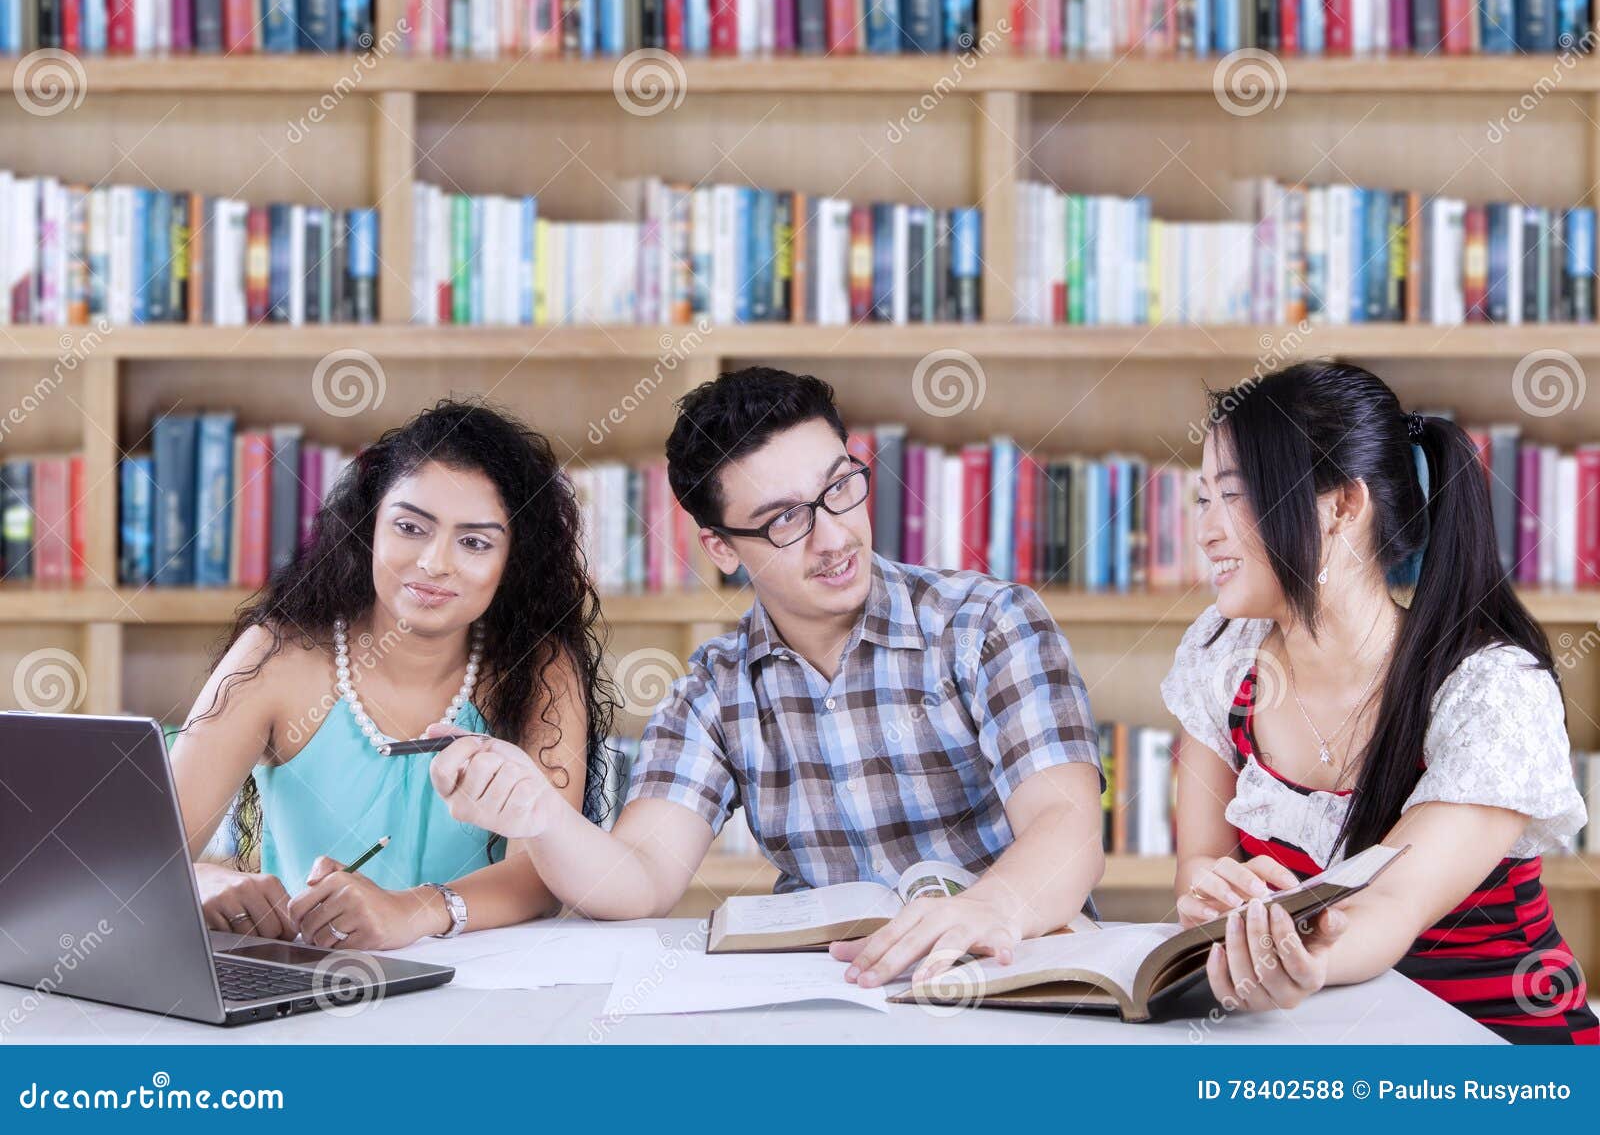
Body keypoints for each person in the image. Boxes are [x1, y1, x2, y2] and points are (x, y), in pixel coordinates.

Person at [429, 367, 1106, 987]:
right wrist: (541, 814)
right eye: (785, 519)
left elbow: (1067, 823)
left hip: (1006, 974)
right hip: (835, 995)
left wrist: (984, 910)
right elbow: (637, 878)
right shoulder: (715, 689)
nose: (834, 536)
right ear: (723, 548)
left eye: (839, 488)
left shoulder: (988, 622)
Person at [1164, 360, 1595, 1044]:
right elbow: (1199, 863)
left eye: (1234, 496)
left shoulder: (1489, 691)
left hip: (1501, 1054)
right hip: (1324, 1045)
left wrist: (1306, 957)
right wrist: (1210, 895)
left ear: (1343, 505)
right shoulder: (1223, 660)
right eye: (1201, 500)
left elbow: (1392, 901)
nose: (1207, 530)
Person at [171, 399, 616, 950]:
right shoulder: (276, 654)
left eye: (475, 542)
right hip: (304, 988)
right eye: (410, 527)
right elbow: (148, 848)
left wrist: (411, 911)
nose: (434, 563)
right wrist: (203, 879)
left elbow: (544, 873)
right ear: (369, 526)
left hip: (486, 994)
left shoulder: (540, 669)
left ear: (513, 562)